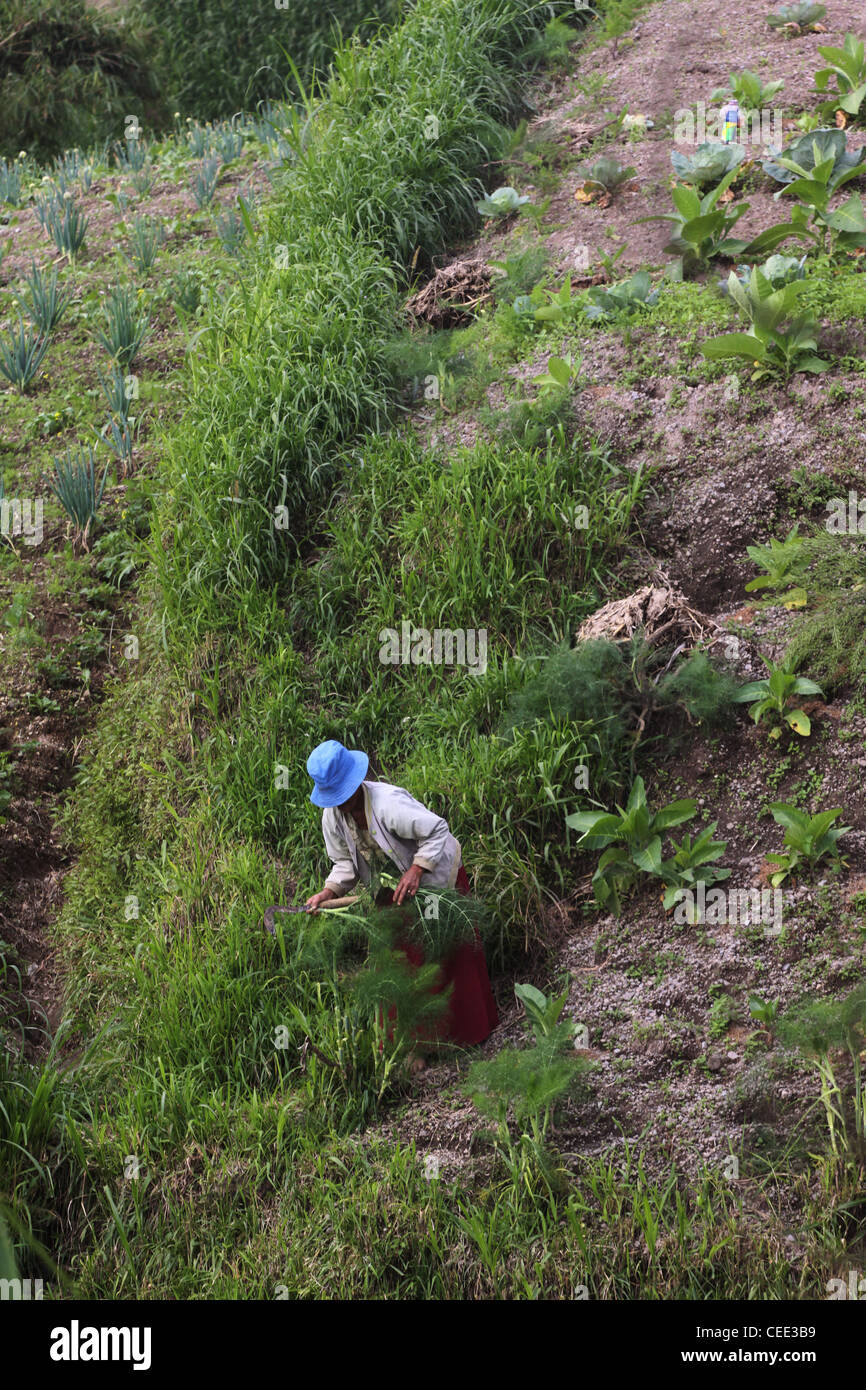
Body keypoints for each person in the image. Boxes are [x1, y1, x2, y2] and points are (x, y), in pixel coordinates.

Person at [305, 740, 498, 1058]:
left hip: (436, 879)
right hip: (393, 891)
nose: (339, 804)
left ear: (355, 783)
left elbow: (437, 830)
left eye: (343, 795)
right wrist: (329, 892)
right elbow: (343, 864)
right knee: (396, 962)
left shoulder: (387, 803)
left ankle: (468, 1037)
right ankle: (414, 1048)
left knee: (447, 949)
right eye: (334, 798)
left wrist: (417, 869)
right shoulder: (333, 818)